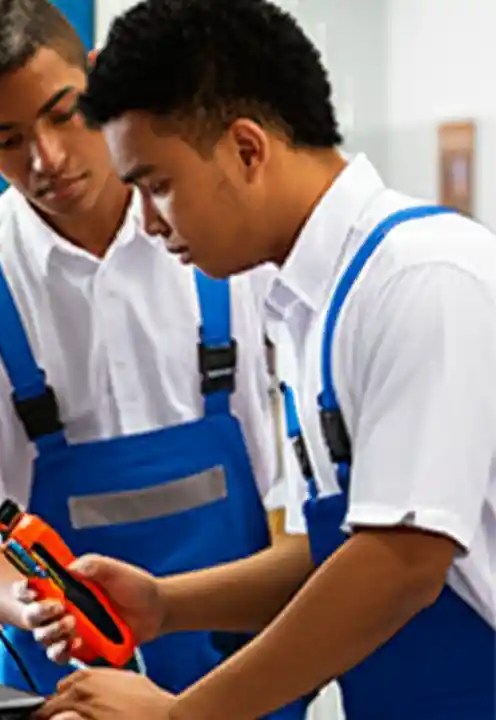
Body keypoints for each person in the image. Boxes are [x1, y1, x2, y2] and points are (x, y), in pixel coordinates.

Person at [35, 1, 496, 719]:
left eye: (157, 186)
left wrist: (181, 716)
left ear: (247, 149)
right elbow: (337, 553)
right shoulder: (306, 305)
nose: (149, 224)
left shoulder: (421, 278)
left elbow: (403, 563)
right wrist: (163, 604)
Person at [0, 1, 304, 713]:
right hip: (72, 681)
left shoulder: (230, 243)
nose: (47, 158)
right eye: (7, 138)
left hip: (246, 655)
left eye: (63, 113)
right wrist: (25, 601)